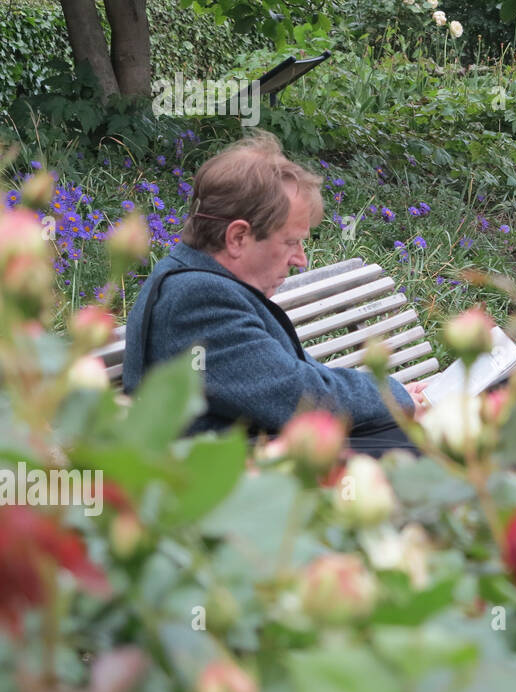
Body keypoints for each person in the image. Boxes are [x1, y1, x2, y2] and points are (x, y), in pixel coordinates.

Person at [123, 131, 424, 454]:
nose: (301, 259)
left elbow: (290, 377)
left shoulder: (202, 283)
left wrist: (395, 397)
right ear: (238, 237)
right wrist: (394, 398)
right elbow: (296, 395)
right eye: (291, 242)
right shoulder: (195, 299)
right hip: (225, 488)